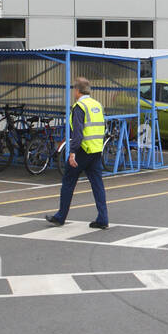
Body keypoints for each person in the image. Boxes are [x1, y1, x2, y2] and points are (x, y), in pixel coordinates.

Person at [46, 77, 109, 228]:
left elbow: (78, 133)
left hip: (82, 150)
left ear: (77, 91)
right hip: (95, 150)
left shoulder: (79, 107)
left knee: (68, 182)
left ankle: (60, 216)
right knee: (97, 185)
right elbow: (103, 127)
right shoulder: (97, 105)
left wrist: (72, 152)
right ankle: (103, 219)